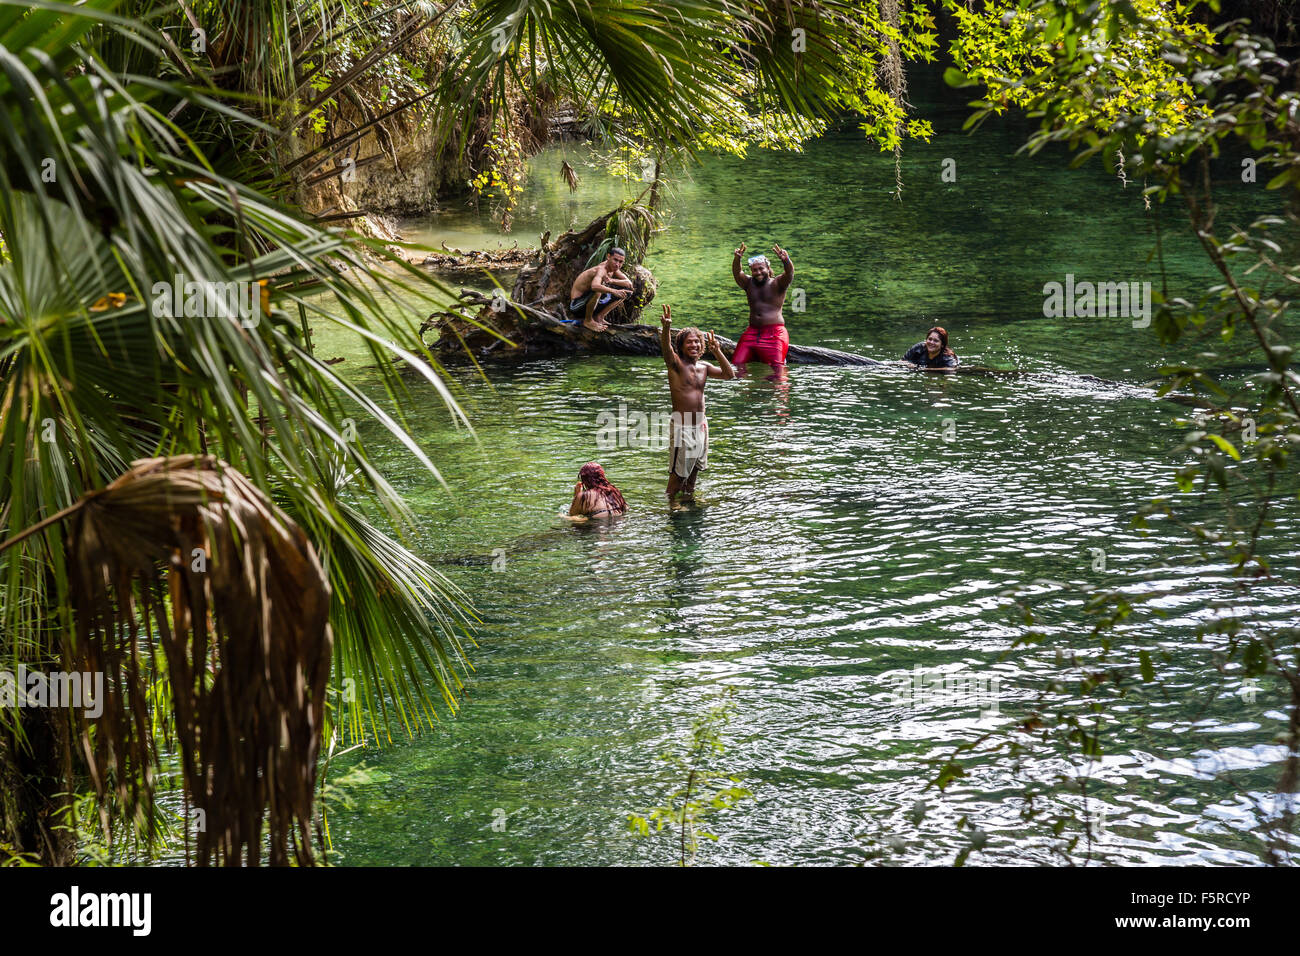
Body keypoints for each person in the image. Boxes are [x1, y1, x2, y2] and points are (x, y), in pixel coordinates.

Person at [659, 304, 736, 501]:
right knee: (677, 474)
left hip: (701, 425)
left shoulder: (705, 367)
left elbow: (729, 375)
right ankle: (670, 505)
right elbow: (666, 350)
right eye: (689, 343)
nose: (694, 345)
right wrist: (667, 327)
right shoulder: (676, 365)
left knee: (694, 471)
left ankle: (688, 500)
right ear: (682, 346)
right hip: (683, 426)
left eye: (697, 342)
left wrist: (717, 351)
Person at [730, 241, 794, 375]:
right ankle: (747, 392)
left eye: (761, 269)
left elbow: (789, 274)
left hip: (774, 334)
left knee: (777, 371)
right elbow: (737, 273)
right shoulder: (748, 284)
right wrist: (737, 259)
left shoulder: (778, 283)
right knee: (736, 367)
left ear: (768, 269)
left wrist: (786, 260)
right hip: (752, 333)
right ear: (751, 271)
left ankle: (780, 394)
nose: (758, 272)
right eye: (755, 270)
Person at [568, 246, 635, 331]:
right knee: (598, 291)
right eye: (615, 260)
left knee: (627, 292)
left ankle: (600, 317)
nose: (617, 264)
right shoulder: (601, 269)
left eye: (621, 262)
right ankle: (588, 321)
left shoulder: (614, 268)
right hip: (576, 306)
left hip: (589, 303)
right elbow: (594, 286)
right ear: (608, 257)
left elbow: (628, 283)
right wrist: (614, 291)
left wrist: (611, 281)